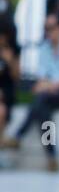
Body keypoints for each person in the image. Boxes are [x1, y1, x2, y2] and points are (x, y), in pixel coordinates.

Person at [3, 0, 59, 170]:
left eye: (51, 29)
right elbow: (42, 77)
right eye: (45, 29)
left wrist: (50, 85)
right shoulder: (44, 49)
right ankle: (52, 156)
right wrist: (46, 85)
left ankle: (18, 136)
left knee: (42, 99)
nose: (48, 33)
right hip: (50, 95)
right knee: (43, 107)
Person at [0, 12, 20, 144]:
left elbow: (17, 76)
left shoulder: (13, 49)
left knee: (2, 111)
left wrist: (10, 60)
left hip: (6, 90)